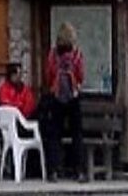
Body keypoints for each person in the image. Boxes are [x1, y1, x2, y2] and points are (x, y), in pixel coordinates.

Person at [41, 22, 86, 181]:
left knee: (55, 135)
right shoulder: (77, 54)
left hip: (57, 96)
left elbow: (48, 75)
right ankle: (79, 171)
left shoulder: (53, 54)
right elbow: (81, 75)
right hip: (73, 97)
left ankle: (53, 170)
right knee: (77, 134)